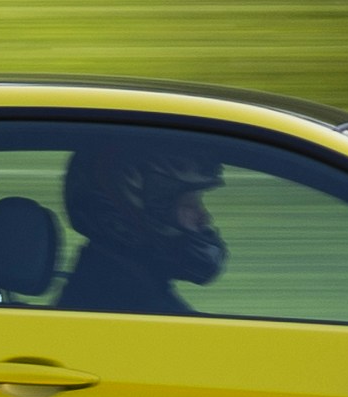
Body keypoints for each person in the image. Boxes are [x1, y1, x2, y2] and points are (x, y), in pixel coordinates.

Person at [56, 127, 230, 315]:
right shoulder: (120, 303)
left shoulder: (121, 286)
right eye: (189, 204)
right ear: (136, 210)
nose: (204, 217)